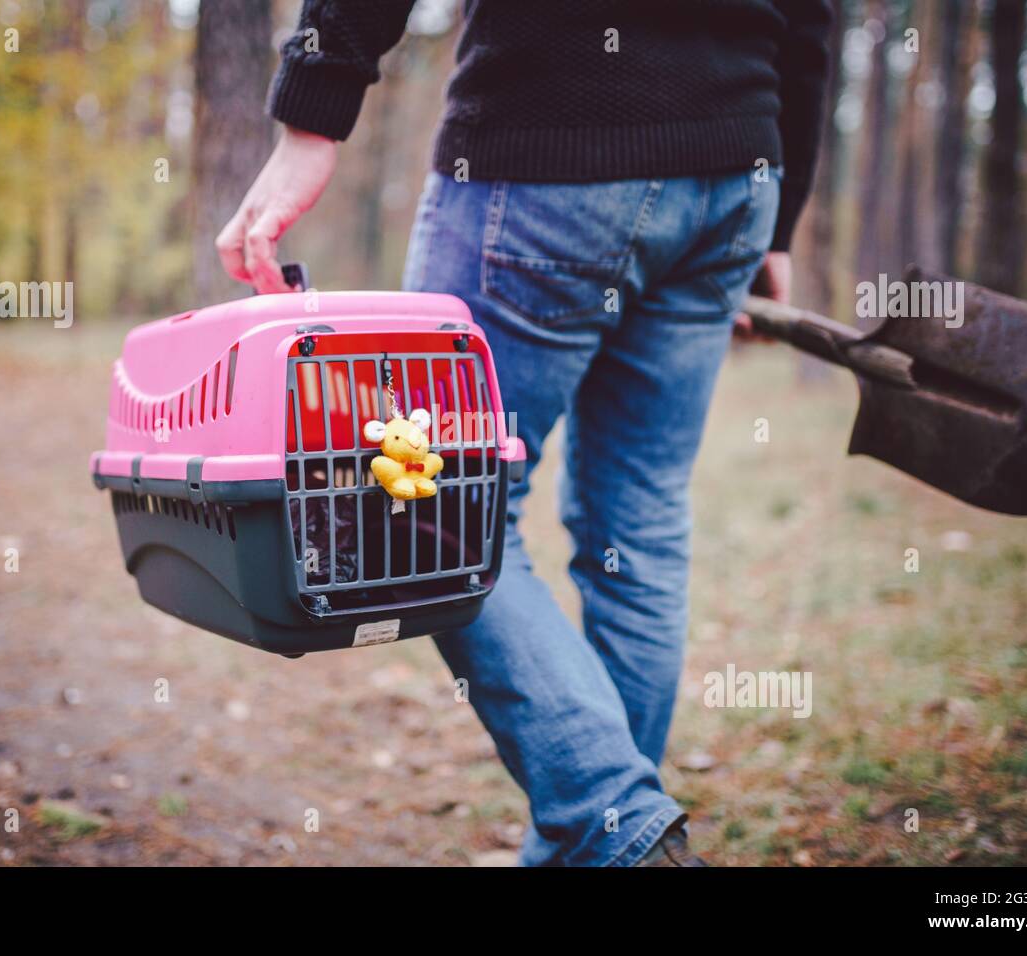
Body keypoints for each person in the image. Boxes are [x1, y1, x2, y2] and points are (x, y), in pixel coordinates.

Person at [217, 0, 834, 866]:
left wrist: (313, 114)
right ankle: (608, 838)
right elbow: (810, 18)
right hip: (733, 174)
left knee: (427, 504)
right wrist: (780, 210)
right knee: (639, 528)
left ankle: (617, 826)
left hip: (548, 150)